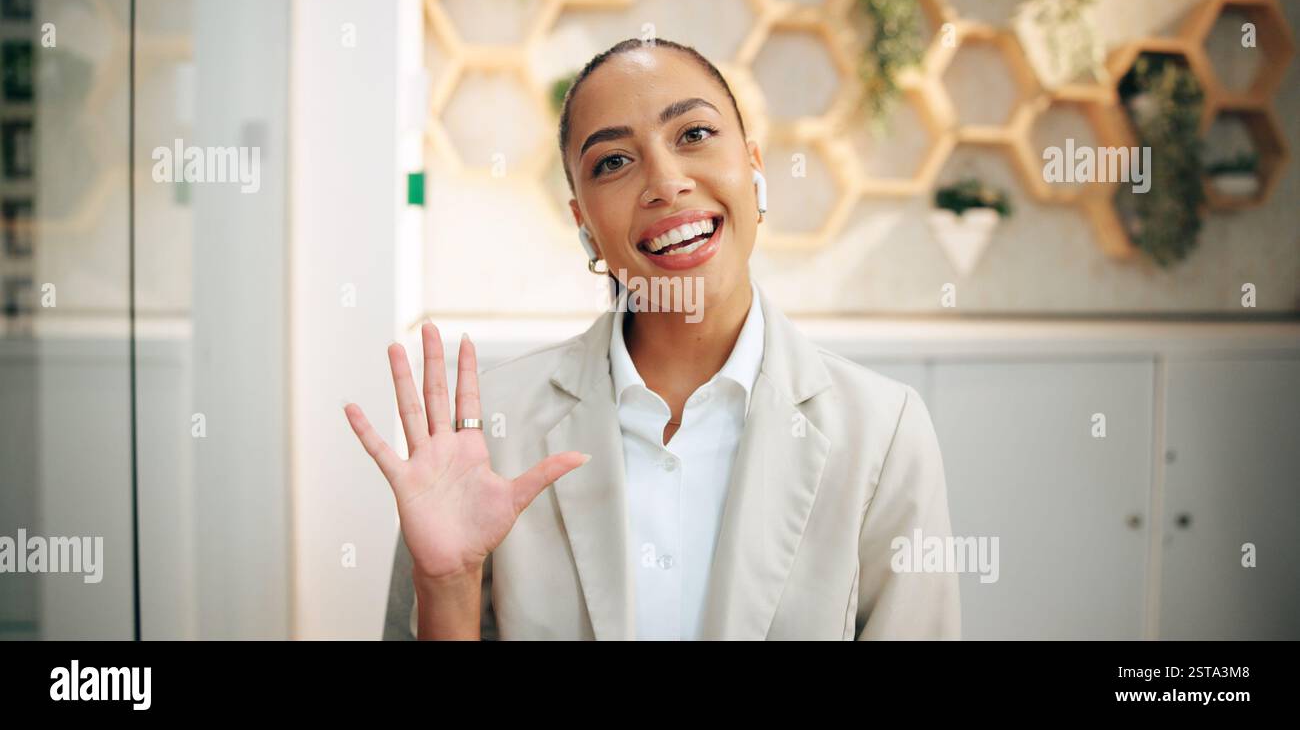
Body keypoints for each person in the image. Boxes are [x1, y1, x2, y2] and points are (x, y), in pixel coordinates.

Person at [345, 37, 960, 640]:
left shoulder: (883, 430)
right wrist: (446, 586)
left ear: (753, 167)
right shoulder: (489, 435)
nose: (665, 183)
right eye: (612, 161)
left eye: (693, 134)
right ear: (583, 222)